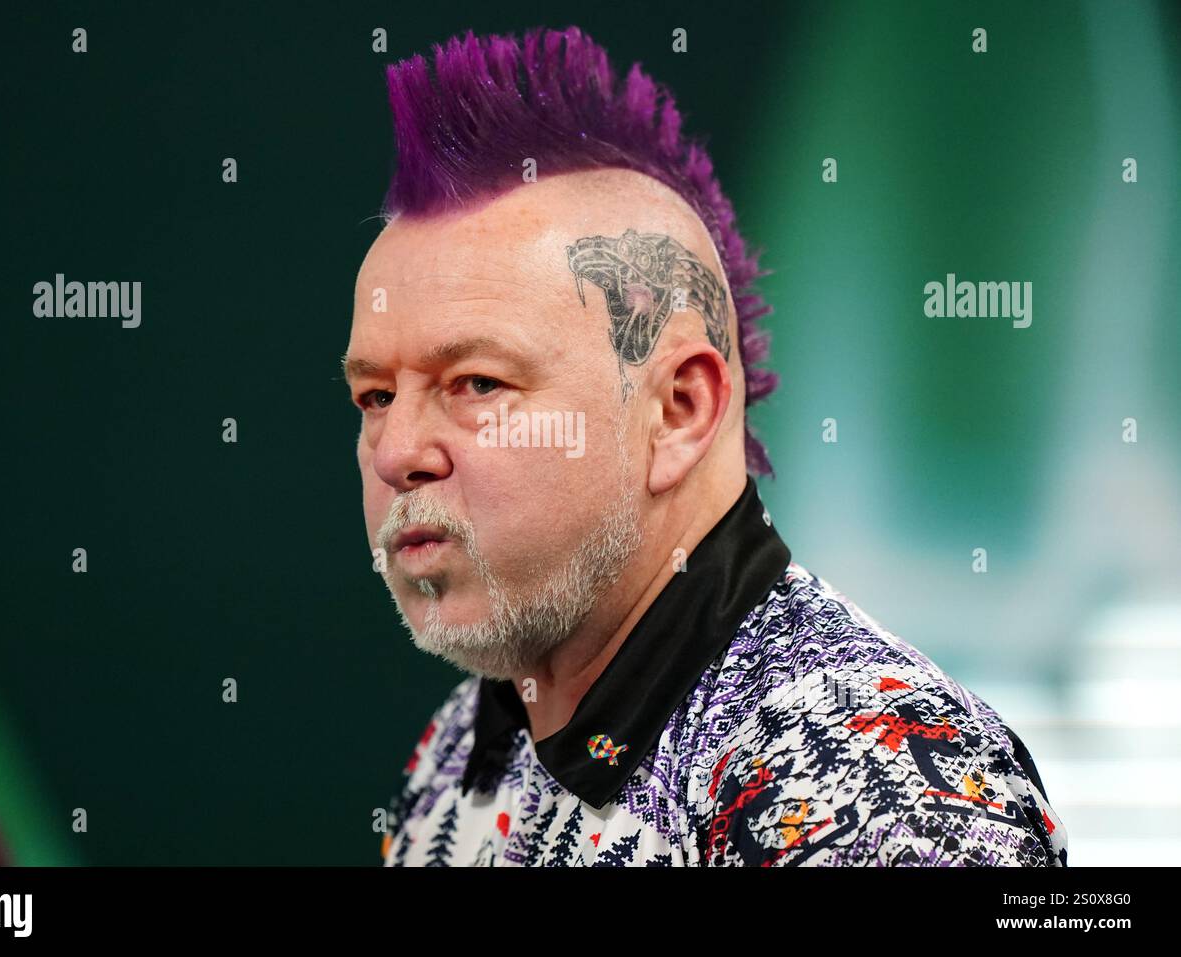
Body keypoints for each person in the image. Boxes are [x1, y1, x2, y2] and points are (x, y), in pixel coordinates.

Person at [346, 25, 1068, 866]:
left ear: (680, 410)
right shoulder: (470, 741)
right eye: (375, 395)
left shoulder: (879, 786)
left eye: (476, 383)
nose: (397, 451)